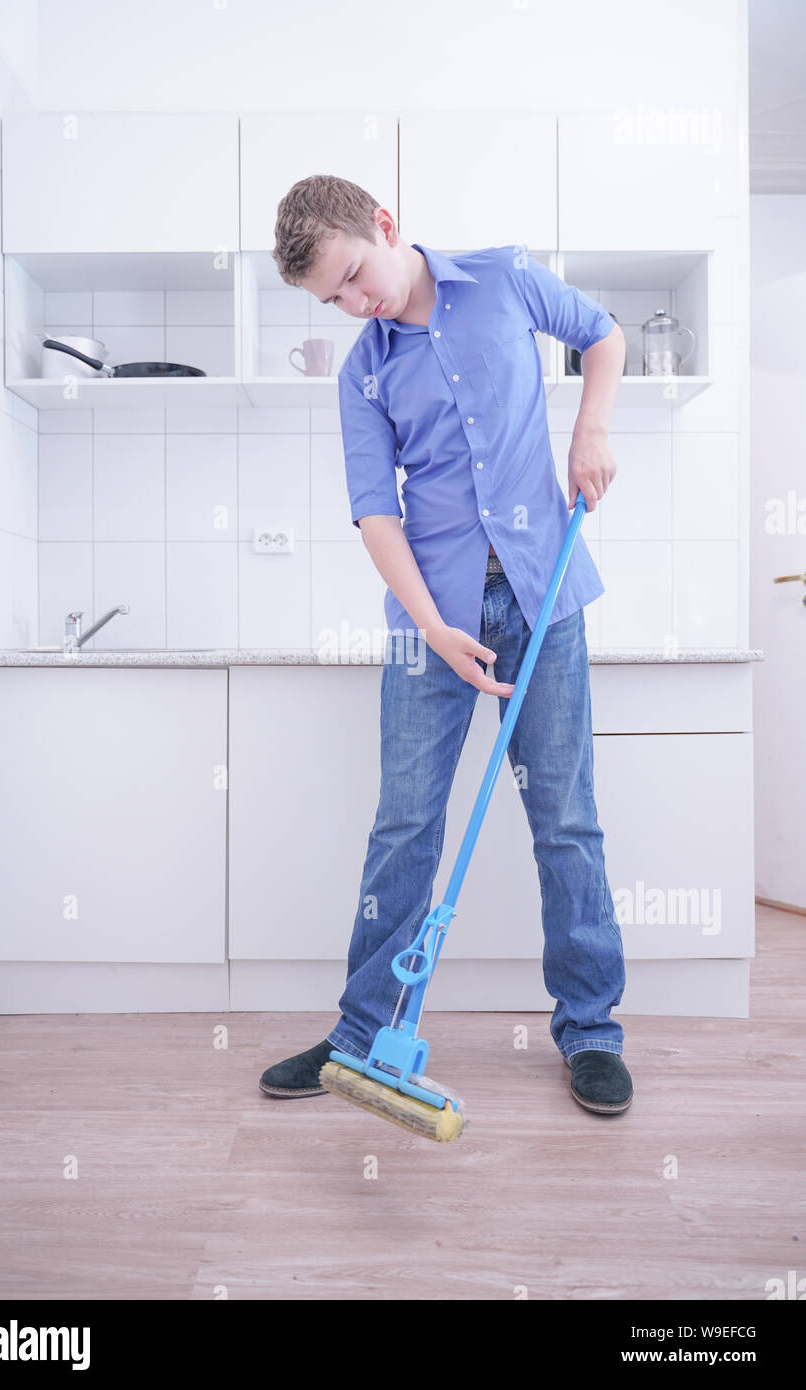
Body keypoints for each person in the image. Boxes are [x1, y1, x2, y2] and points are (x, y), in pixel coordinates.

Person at [259, 174, 632, 1115]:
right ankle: (358, 1036)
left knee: (566, 819)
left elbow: (603, 334)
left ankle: (589, 1030)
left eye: (351, 276)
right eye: (331, 299)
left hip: (544, 598)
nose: (353, 304)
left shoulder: (505, 280)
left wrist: (591, 427)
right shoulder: (362, 372)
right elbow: (375, 511)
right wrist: (431, 626)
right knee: (403, 829)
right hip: (433, 622)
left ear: (383, 224)